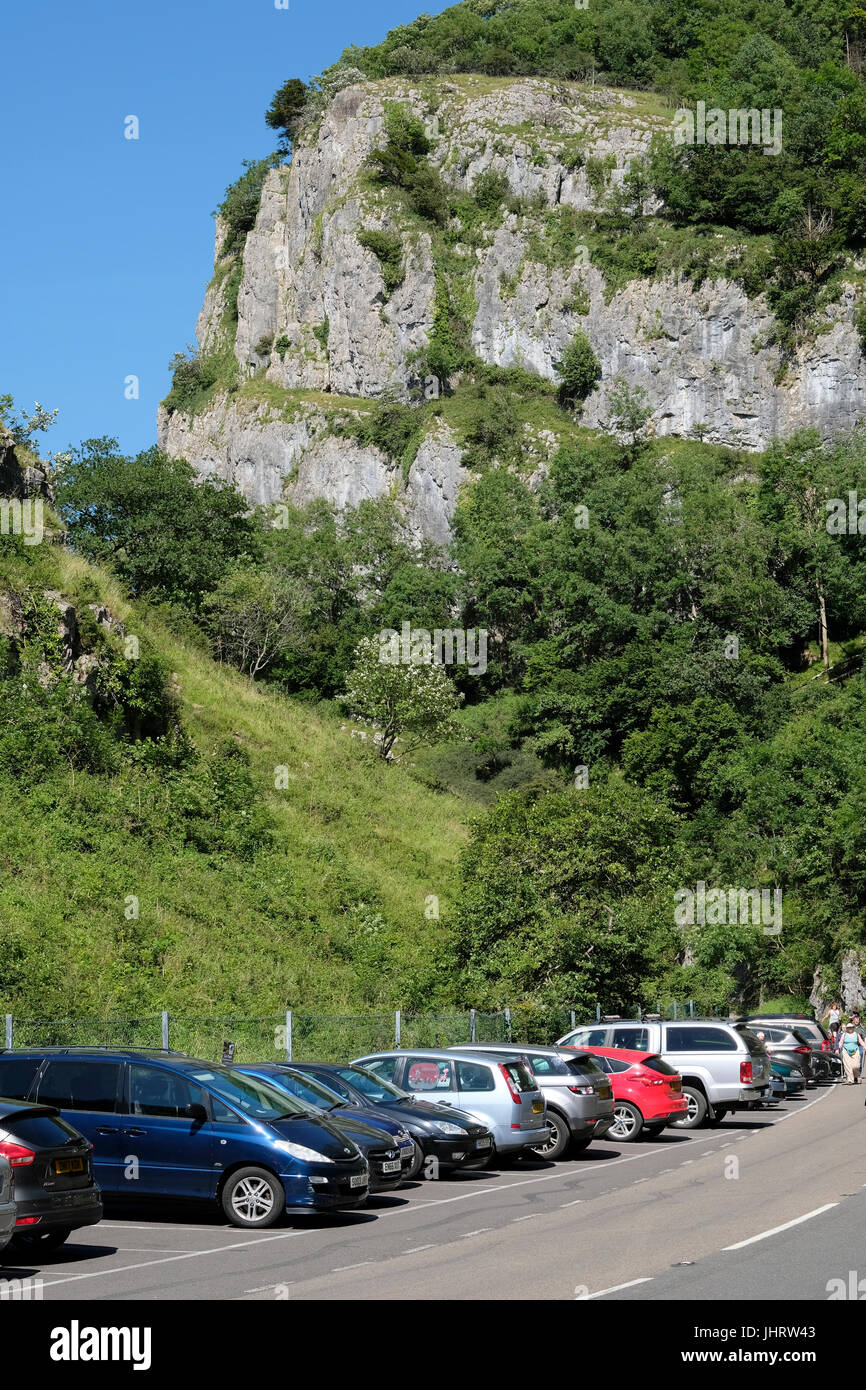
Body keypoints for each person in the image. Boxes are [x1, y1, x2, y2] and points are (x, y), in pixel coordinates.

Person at [839, 1018, 863, 1084]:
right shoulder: (844, 1034)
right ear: (847, 1028)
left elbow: (860, 1041)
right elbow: (841, 1041)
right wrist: (840, 1045)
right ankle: (850, 1080)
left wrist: (864, 1046)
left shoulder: (856, 1034)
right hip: (846, 1051)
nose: (850, 1029)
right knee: (848, 1066)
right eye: (848, 1028)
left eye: (851, 1027)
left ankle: (855, 1076)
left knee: (856, 1066)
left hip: (855, 1050)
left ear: (853, 1028)